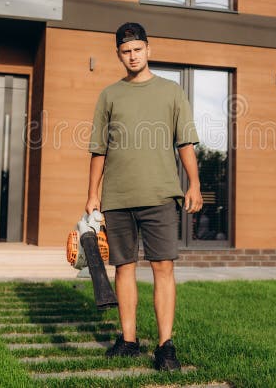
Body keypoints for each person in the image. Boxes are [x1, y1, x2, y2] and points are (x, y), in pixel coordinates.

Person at [85, 22, 203, 371]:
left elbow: (185, 142)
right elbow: (98, 150)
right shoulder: (108, 95)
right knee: (124, 267)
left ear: (148, 49)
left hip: (160, 195)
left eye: (137, 49)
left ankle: (166, 346)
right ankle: (129, 340)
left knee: (163, 267)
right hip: (117, 197)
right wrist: (92, 195)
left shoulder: (171, 92)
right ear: (118, 54)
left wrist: (193, 183)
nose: (132, 56)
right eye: (125, 51)